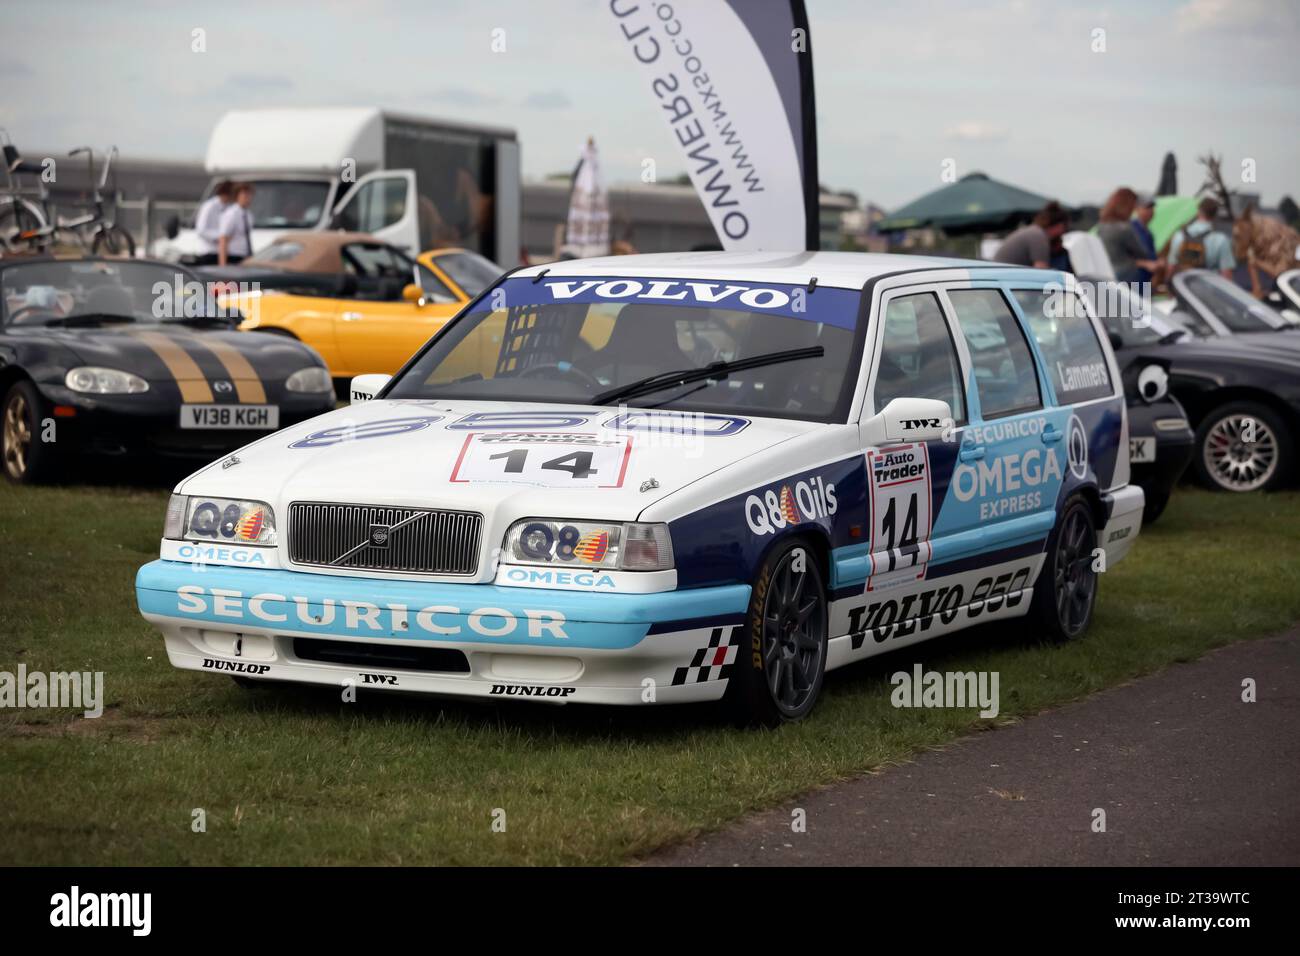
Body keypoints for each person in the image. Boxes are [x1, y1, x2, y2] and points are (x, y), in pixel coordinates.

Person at [1097, 187, 1160, 283]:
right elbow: (1142, 253)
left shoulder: (1102, 226)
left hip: (1107, 274)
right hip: (1129, 277)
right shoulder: (1124, 228)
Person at [1168, 197, 1235, 279]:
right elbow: (1226, 274)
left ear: (1198, 211)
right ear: (1215, 215)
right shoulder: (1221, 240)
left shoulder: (1179, 235)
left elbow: (1171, 267)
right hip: (1208, 289)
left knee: (1146, 289)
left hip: (1183, 288)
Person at [994, 201, 1069, 269]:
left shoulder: (1033, 231)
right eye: (1064, 228)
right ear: (1059, 226)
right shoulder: (1038, 236)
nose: (1063, 232)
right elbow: (1041, 269)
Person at [192, 180, 233, 266]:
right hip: (209, 252)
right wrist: (221, 237)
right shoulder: (209, 206)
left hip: (224, 252)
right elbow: (201, 230)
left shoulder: (229, 207)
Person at [217, 183, 254, 266]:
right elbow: (223, 239)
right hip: (233, 256)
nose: (248, 198)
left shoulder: (248, 215)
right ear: (237, 196)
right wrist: (222, 265)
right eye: (245, 195)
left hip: (245, 257)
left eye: (249, 195)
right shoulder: (231, 214)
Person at [1131, 194, 1161, 286]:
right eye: (1147, 207)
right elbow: (1121, 259)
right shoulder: (1131, 230)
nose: (1150, 211)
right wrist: (1146, 264)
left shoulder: (1148, 233)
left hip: (1145, 282)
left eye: (1152, 207)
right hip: (1132, 282)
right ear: (1137, 209)